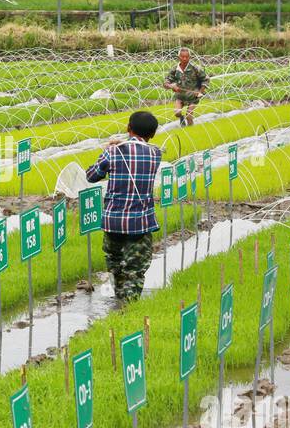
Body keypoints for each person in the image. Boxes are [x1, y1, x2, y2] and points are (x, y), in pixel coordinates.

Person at [85, 111, 163, 303]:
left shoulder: (112, 152)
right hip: (140, 222)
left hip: (113, 221)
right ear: (152, 134)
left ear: (128, 128)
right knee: (135, 269)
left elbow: (91, 176)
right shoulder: (155, 153)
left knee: (115, 263)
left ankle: (120, 300)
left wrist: (108, 147)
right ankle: (128, 308)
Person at [163, 47, 209, 126]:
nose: (184, 59)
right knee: (177, 113)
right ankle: (181, 118)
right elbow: (166, 82)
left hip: (192, 97)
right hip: (180, 97)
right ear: (178, 57)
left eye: (187, 57)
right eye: (182, 57)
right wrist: (171, 86)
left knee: (189, 116)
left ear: (190, 58)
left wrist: (200, 91)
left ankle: (191, 130)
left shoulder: (195, 68)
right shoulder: (174, 69)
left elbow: (206, 79)